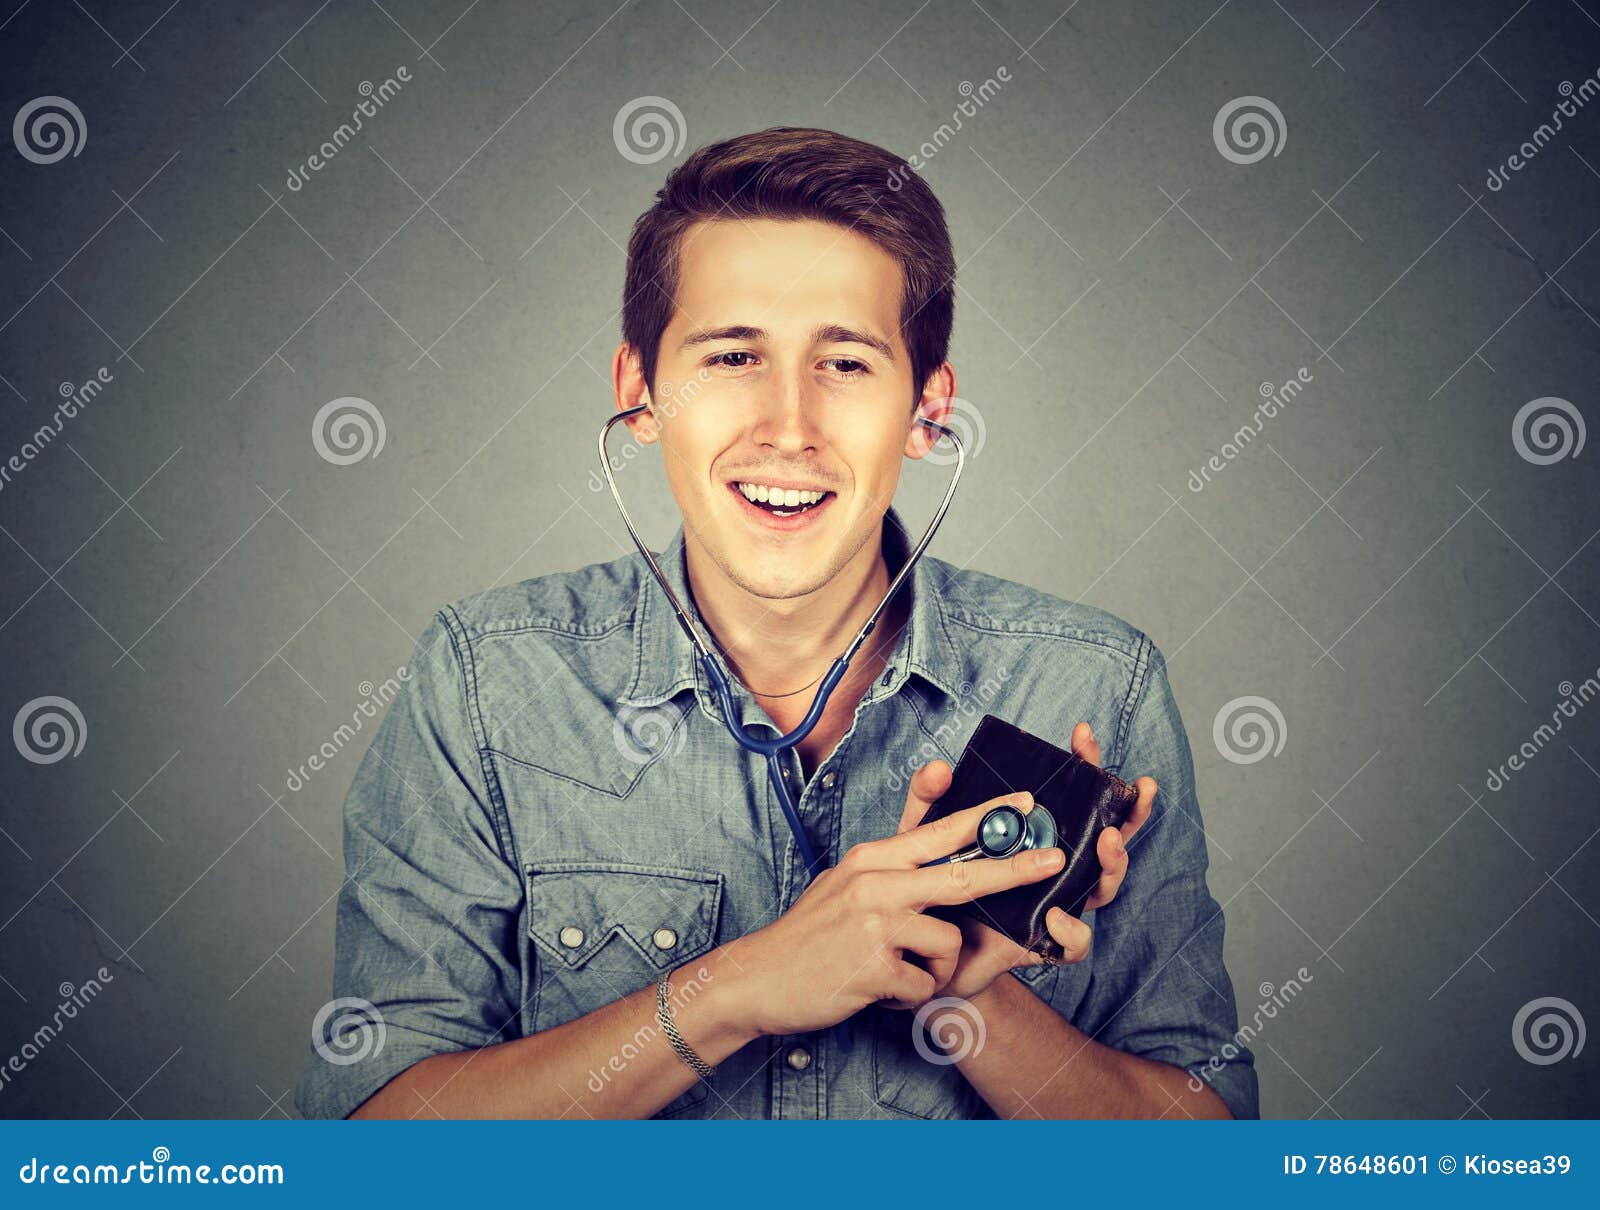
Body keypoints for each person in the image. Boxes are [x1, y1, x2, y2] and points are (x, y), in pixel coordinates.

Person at [295, 126, 1257, 1120]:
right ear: (640, 395)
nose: (788, 426)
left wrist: (963, 987)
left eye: (845, 363)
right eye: (731, 355)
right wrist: (738, 988)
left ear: (928, 411)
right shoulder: (485, 682)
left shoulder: (1092, 687)